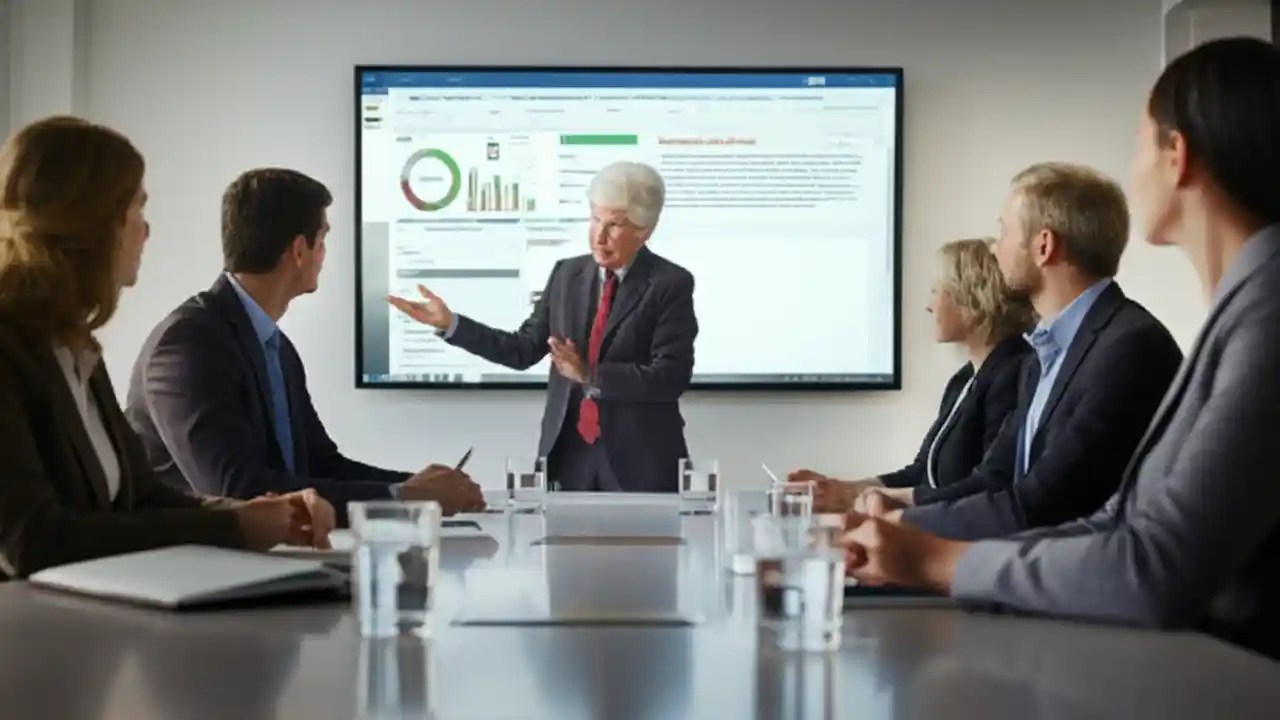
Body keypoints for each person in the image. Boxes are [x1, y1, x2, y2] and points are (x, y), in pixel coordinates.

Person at [842, 36, 1280, 659]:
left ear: (1177, 156)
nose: (1133, 172)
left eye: (1137, 143)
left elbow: (1154, 564)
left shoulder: (1256, 317)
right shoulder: (1242, 308)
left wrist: (941, 562)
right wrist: (916, 544)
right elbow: (1121, 521)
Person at [0, 117, 333, 578]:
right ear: (96, 222)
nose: (146, 230)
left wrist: (254, 513)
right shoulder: (11, 348)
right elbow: (31, 540)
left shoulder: (77, 350)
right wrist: (235, 526)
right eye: (138, 209)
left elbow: (144, 496)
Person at [126, 168, 484, 522]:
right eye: (322, 239)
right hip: (203, 568)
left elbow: (320, 464)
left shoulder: (277, 348)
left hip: (272, 557)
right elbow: (235, 489)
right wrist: (404, 497)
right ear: (300, 250)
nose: (324, 254)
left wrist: (420, 487)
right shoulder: (188, 344)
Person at [852, 162, 1183, 540]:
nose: (994, 247)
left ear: (1044, 246)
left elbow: (1042, 504)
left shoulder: (1130, 349)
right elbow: (993, 481)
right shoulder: (1042, 355)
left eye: (1004, 230)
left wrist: (896, 527)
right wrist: (889, 509)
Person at [389, 161, 697, 492]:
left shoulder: (669, 283)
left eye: (615, 224)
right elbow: (523, 350)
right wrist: (451, 325)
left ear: (644, 230)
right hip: (568, 456)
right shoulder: (567, 274)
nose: (600, 236)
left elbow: (669, 378)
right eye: (595, 219)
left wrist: (589, 374)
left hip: (641, 461)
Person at [789, 238, 1034, 509]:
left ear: (972, 298)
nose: (929, 305)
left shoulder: (1014, 372)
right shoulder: (964, 378)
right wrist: (845, 488)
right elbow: (922, 472)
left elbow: (988, 487)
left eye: (936, 290)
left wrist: (857, 498)